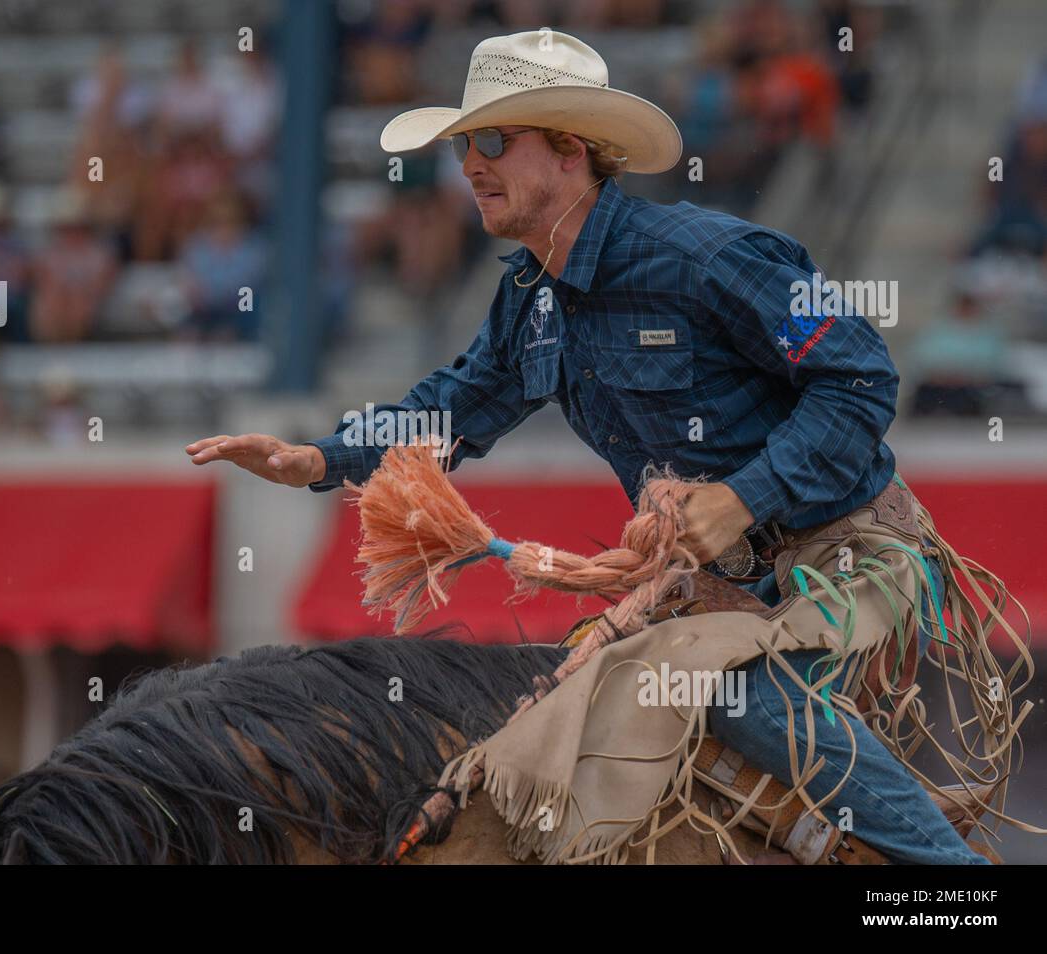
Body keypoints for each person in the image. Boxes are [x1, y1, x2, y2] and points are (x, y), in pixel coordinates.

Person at [187, 30, 997, 864]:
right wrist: (318, 460)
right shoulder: (529, 297)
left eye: (493, 140)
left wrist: (744, 496)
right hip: (716, 592)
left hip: (849, 559)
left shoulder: (709, 256)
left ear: (570, 150)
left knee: (724, 692)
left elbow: (859, 376)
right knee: (551, 716)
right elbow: (450, 409)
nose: (470, 163)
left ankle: (957, 886)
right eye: (465, 144)